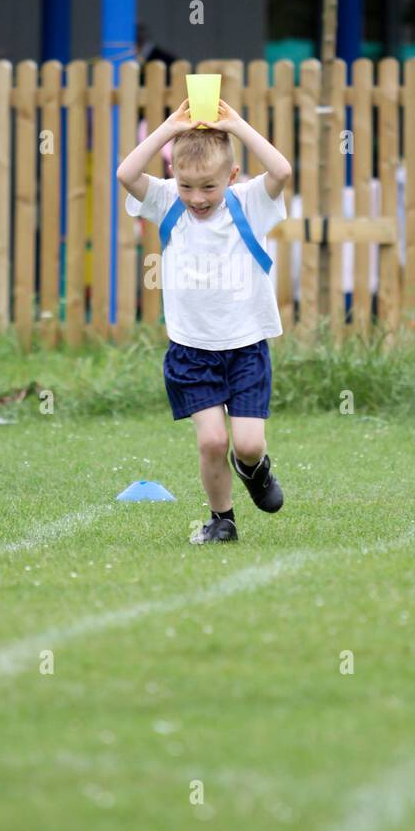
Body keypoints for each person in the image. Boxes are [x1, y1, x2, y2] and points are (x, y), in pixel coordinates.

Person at [116, 98, 292, 544]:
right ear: (174, 177)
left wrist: (237, 123)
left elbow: (283, 170)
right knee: (212, 440)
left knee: (248, 444)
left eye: (209, 188)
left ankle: (254, 469)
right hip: (192, 350)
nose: (197, 198)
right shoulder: (166, 202)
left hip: (246, 347)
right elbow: (126, 174)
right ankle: (222, 519)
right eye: (187, 185)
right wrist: (170, 128)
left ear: (232, 178)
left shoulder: (249, 202)